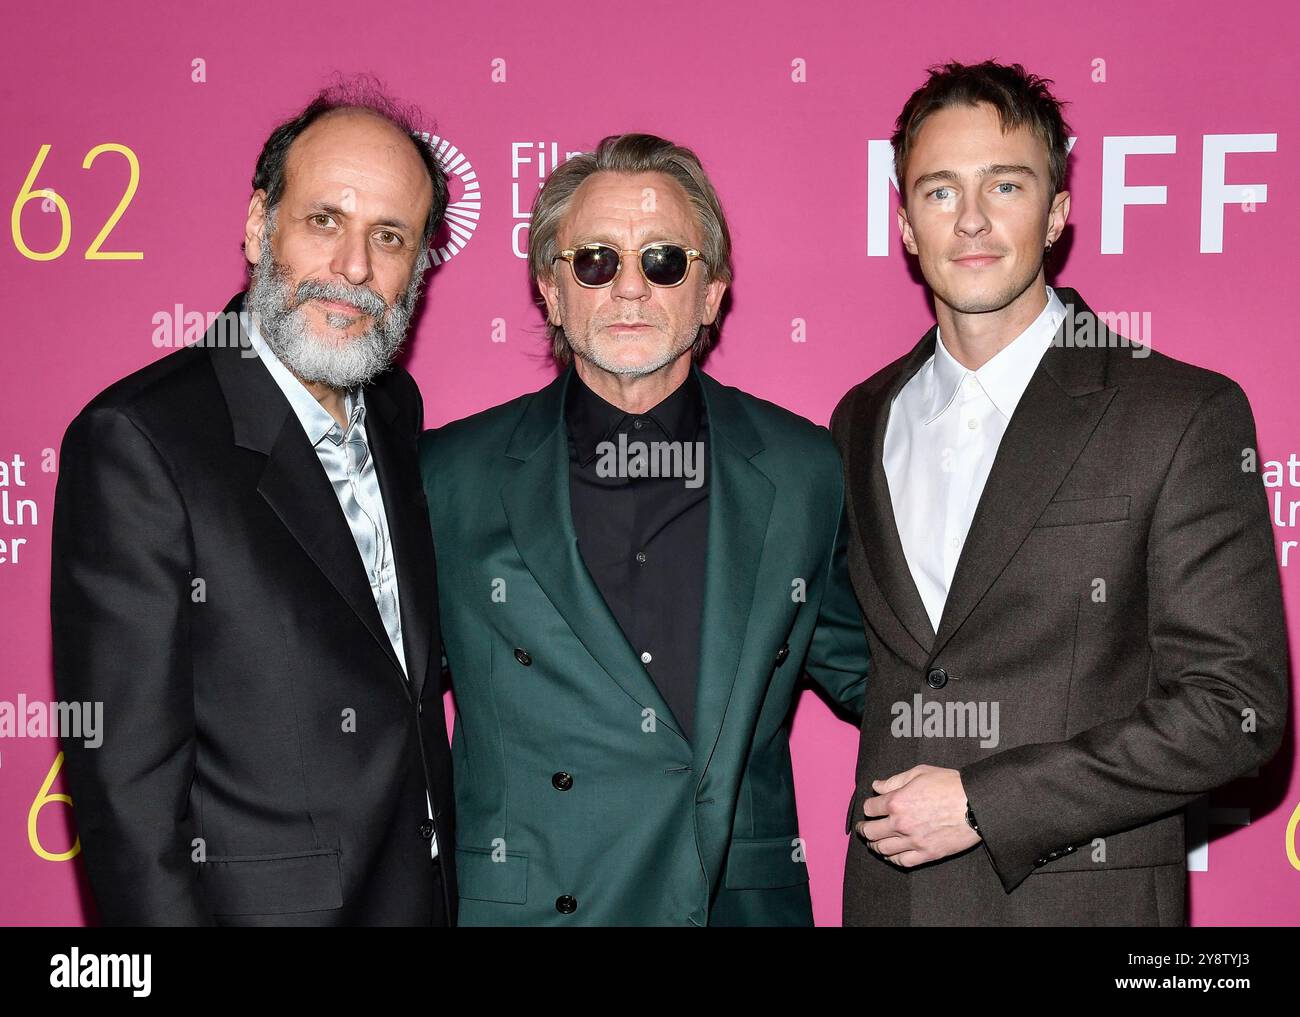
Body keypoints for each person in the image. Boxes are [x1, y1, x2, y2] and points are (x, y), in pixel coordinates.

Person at [832, 60, 1289, 925]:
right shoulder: (860, 418)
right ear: (902, 222)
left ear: (1058, 213)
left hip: (1085, 903)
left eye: (1005, 185)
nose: (970, 219)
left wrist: (986, 800)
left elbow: (1236, 707)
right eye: (939, 192)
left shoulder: (1178, 411)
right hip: (891, 901)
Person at [420, 133, 871, 925]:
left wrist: (1022, 772)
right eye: (594, 260)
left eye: (664, 261)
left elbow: (879, 672)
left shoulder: (804, 470)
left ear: (712, 294)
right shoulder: (449, 473)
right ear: (552, 293)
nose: (629, 288)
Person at [51, 78, 457, 925]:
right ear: (256, 225)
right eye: (324, 222)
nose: (354, 268)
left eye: (389, 236)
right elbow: (127, 796)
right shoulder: (142, 441)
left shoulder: (396, 413)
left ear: (418, 266)